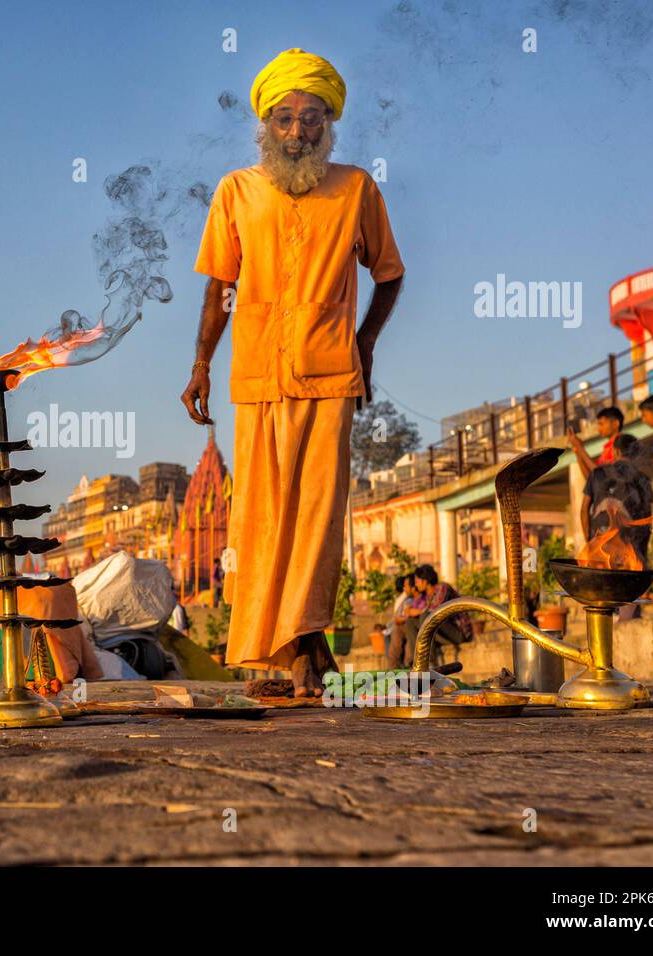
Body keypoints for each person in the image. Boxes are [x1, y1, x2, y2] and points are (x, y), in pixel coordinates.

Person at [182, 47, 404, 694]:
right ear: (265, 126)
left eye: (312, 118)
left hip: (330, 371)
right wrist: (200, 363)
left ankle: (306, 644)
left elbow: (389, 276)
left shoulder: (356, 188)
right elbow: (220, 286)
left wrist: (365, 345)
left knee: (318, 513)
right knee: (256, 515)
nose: (298, 131)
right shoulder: (236, 192)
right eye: (285, 118)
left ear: (329, 125)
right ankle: (274, 654)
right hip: (254, 376)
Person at [581, 433, 653, 621]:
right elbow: (646, 518)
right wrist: (641, 550)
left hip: (600, 541)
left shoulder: (596, 473)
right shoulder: (643, 479)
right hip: (630, 543)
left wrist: (589, 541)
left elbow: (583, 510)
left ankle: (604, 632)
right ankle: (626, 627)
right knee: (628, 595)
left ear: (615, 451)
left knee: (603, 597)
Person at [388, 565, 471, 669]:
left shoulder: (443, 587)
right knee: (410, 622)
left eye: (417, 581)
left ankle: (429, 663)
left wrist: (417, 612)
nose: (416, 585)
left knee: (427, 617)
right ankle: (417, 662)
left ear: (425, 581)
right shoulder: (427, 596)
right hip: (441, 635)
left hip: (458, 634)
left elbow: (434, 612)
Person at [568, 405, 624, 478]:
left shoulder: (622, 443)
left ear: (616, 423)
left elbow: (599, 475)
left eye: (602, 424)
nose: (599, 429)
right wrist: (578, 452)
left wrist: (580, 448)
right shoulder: (608, 447)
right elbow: (591, 478)